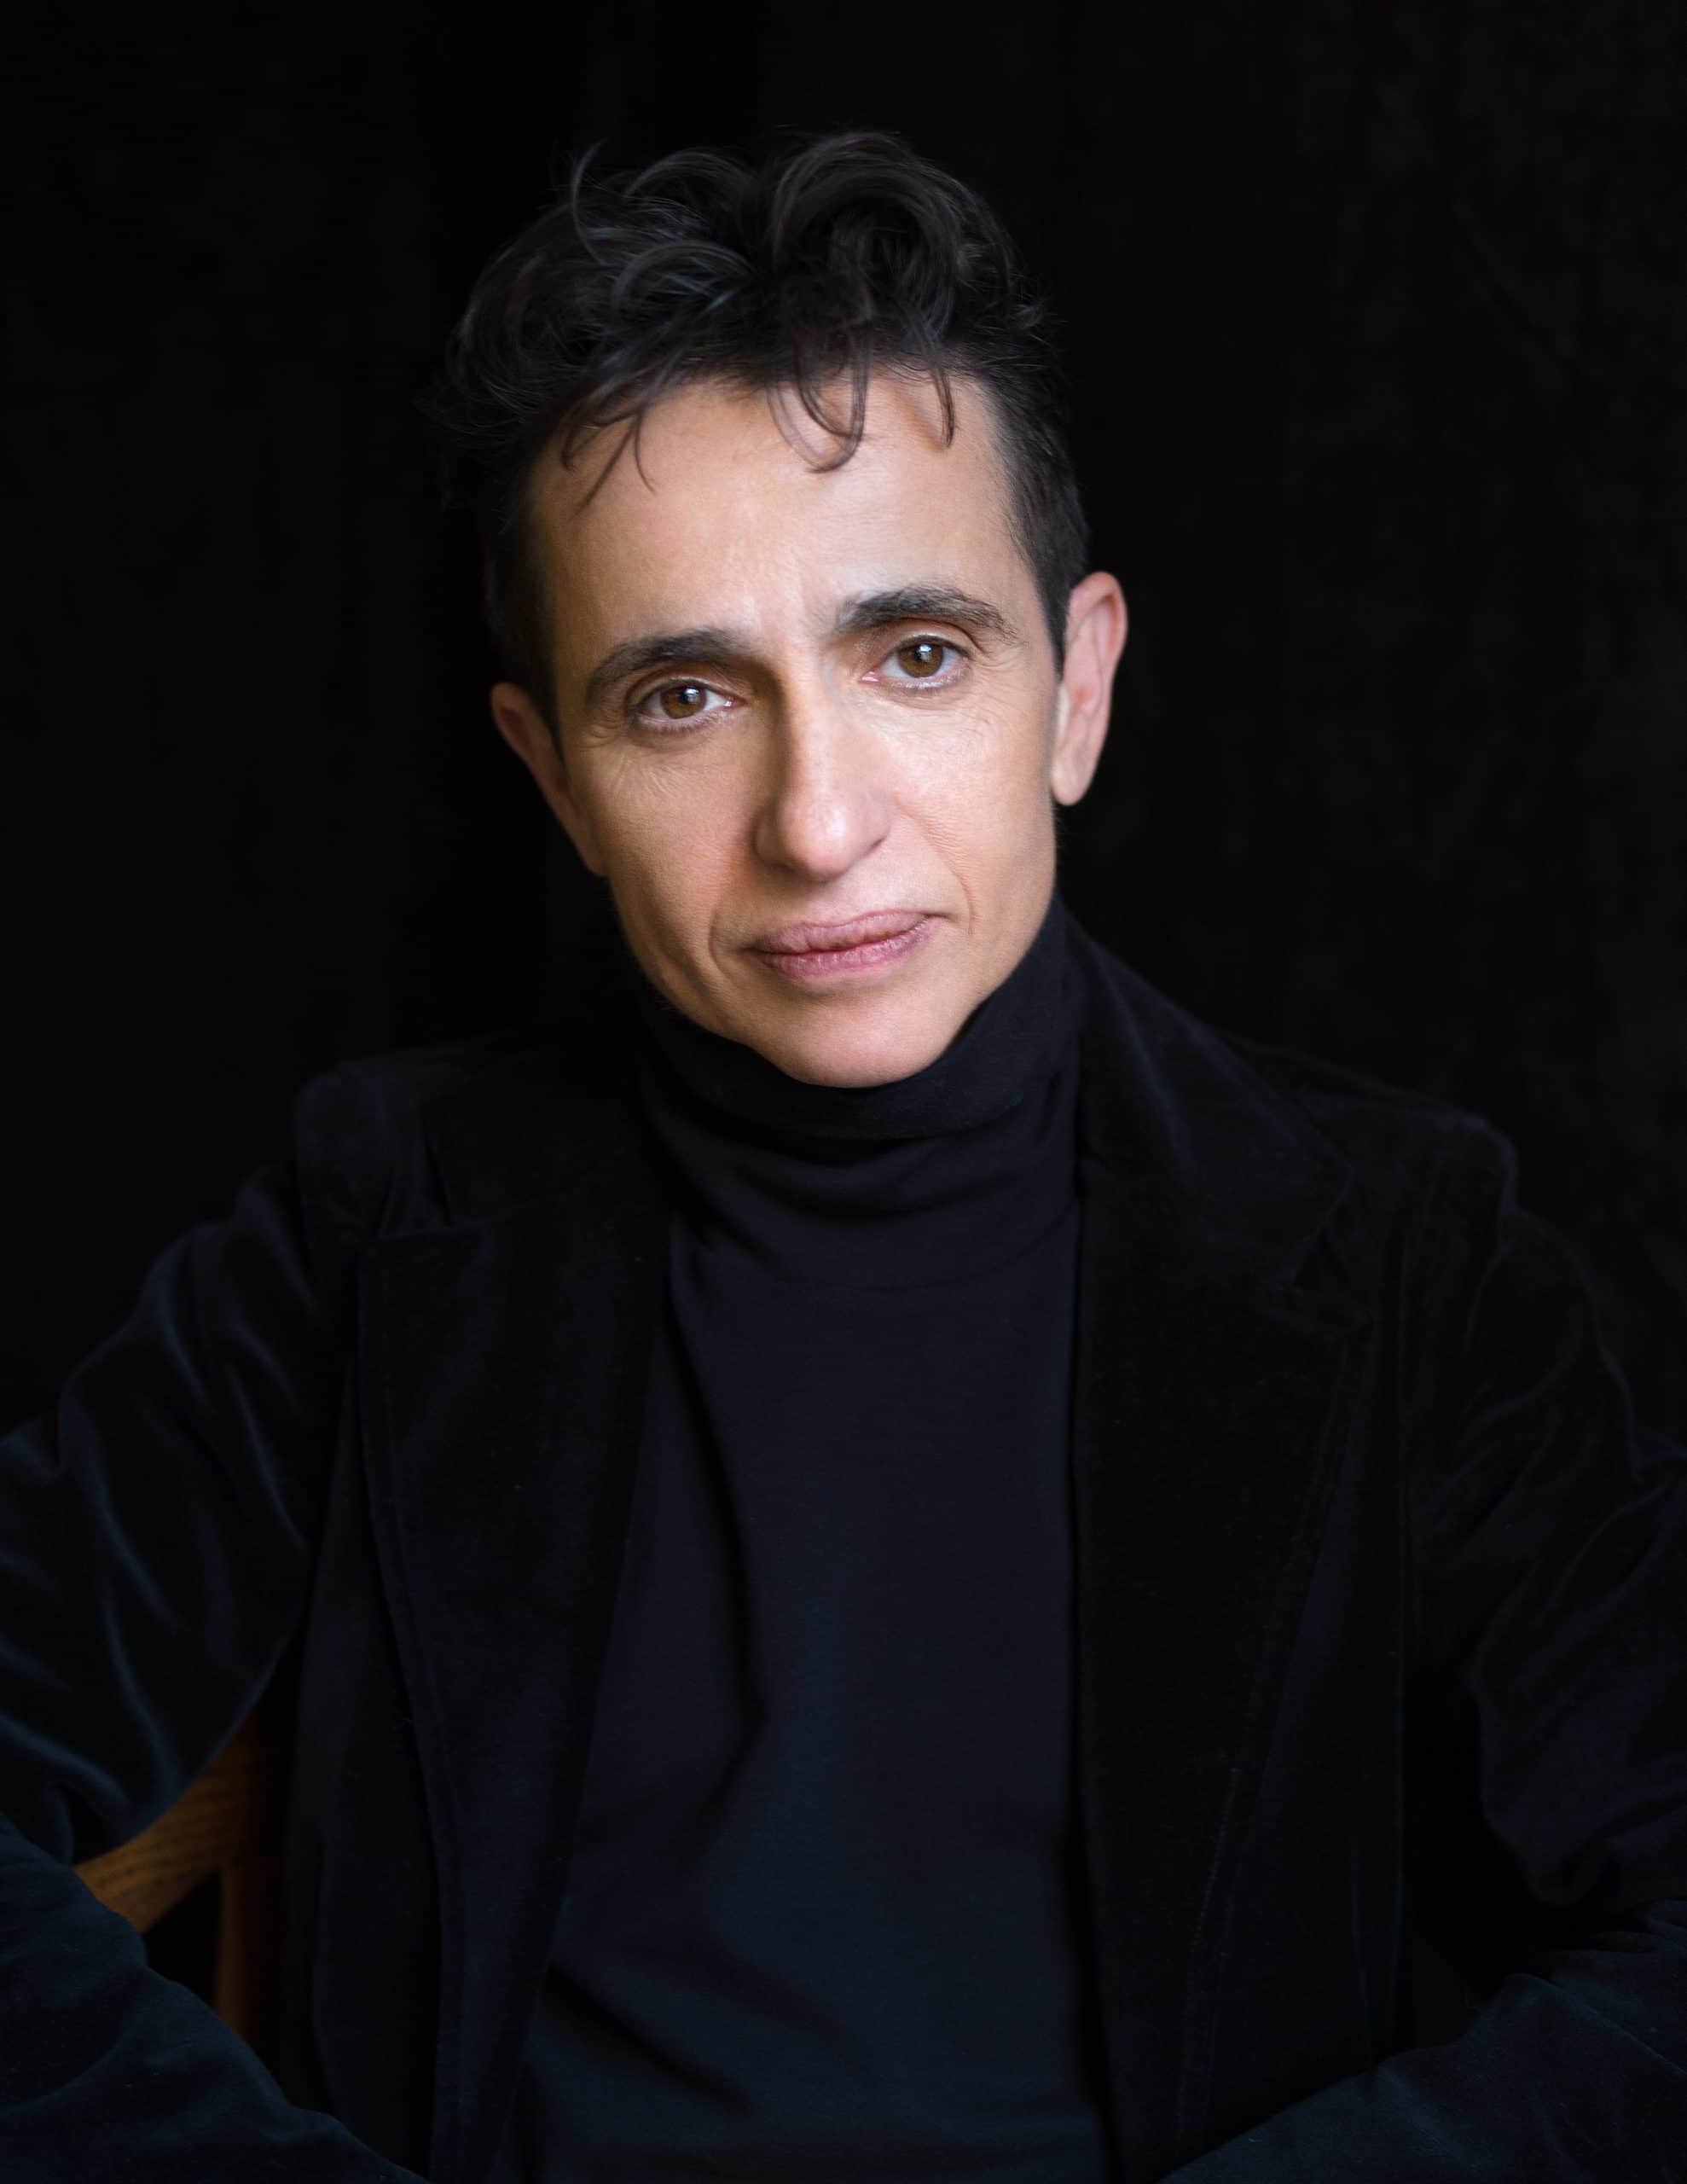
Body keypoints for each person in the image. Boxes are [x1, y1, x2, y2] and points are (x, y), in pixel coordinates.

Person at [2, 125, 1684, 2183]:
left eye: (914, 654)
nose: (815, 821)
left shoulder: (1396, 1247)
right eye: (682, 696)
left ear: (1073, 691)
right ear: (553, 773)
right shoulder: (378, 1216)